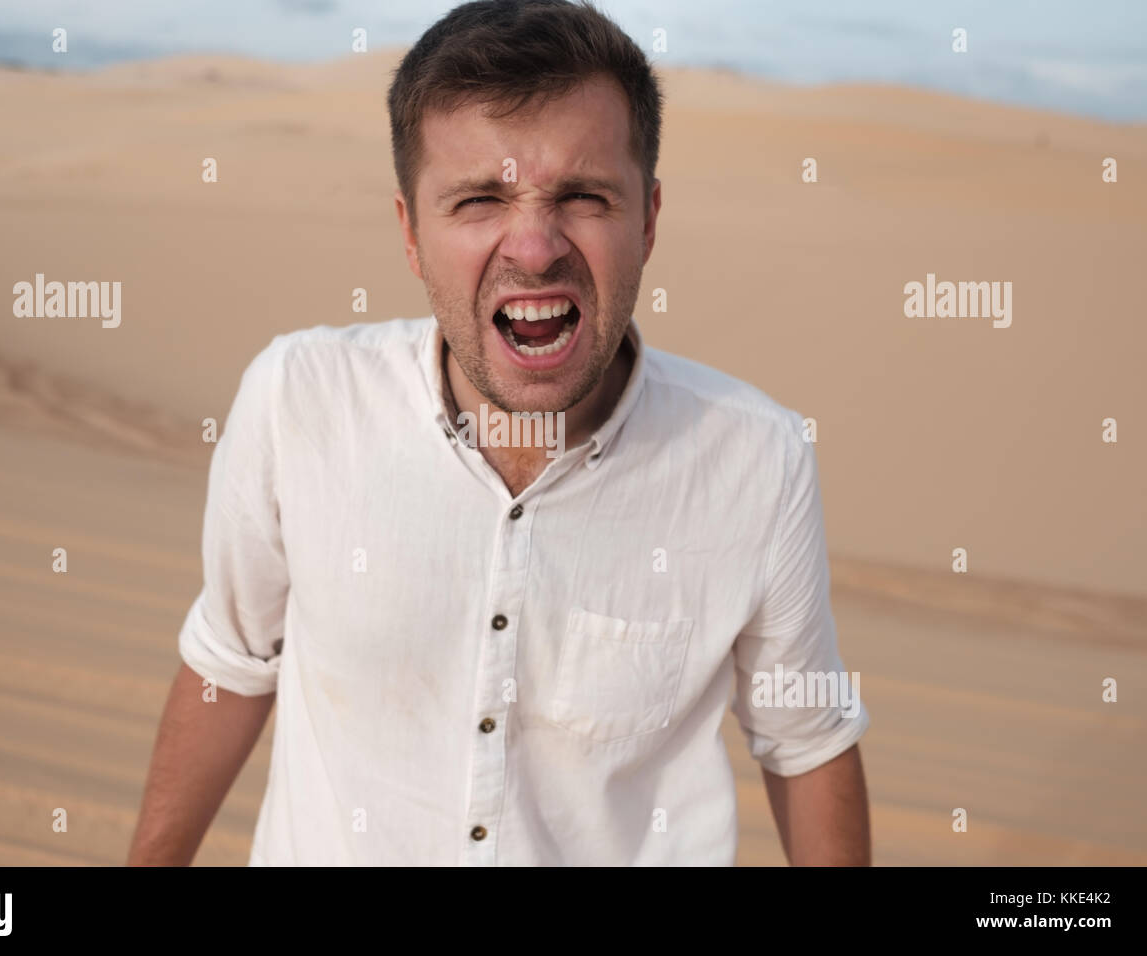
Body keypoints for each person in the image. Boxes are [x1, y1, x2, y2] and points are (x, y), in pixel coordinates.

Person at [128, 0, 870, 866]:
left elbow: (807, 741)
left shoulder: (755, 459)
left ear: (649, 220)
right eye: (480, 199)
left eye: (584, 197)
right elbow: (230, 665)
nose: (534, 244)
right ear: (411, 234)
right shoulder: (299, 402)